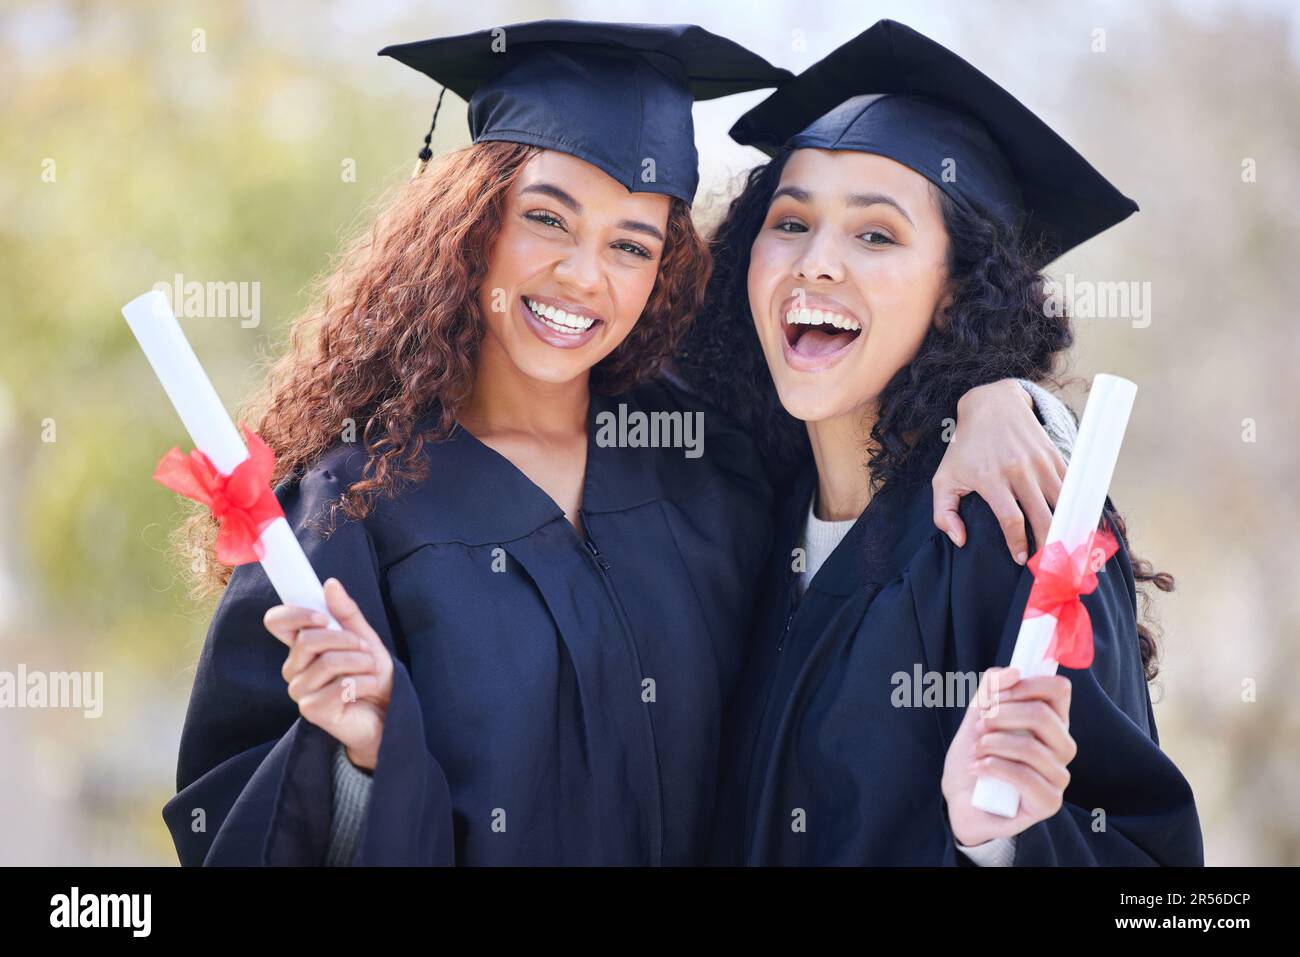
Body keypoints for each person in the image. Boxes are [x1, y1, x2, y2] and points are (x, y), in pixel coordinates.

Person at [163, 19, 1087, 867]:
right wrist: (363, 766)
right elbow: (230, 826)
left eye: (634, 245)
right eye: (546, 218)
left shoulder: (715, 472)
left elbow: (864, 450)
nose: (583, 275)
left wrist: (993, 398)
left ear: (670, 271)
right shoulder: (351, 511)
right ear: (466, 224)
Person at [678, 20, 1204, 865]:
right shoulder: (753, 514)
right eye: (789, 222)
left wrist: (997, 838)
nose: (816, 261)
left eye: (876, 234)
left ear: (958, 295)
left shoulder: (1017, 522)